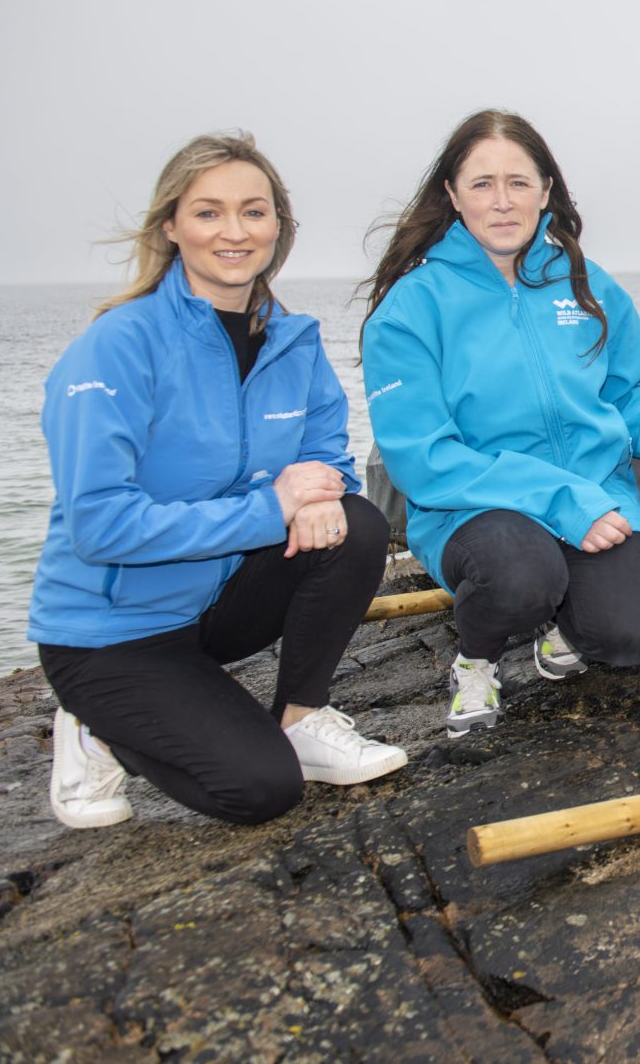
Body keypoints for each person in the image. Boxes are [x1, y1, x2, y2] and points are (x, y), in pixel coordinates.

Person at [31, 134, 407, 830]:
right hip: (112, 631)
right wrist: (273, 509)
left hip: (216, 606)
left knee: (357, 523)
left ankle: (300, 715)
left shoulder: (291, 340)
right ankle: (97, 723)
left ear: (277, 227)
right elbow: (99, 525)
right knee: (260, 789)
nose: (234, 231)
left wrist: (318, 496)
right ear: (171, 225)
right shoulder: (119, 345)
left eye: (253, 211)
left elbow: (326, 453)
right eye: (208, 212)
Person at [360, 110, 640, 737]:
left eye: (519, 183)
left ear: (546, 191)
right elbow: (422, 461)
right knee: (522, 576)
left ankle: (560, 626)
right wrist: (562, 500)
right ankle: (477, 660)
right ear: (452, 195)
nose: (502, 202)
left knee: (633, 638)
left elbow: (631, 394)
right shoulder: (411, 309)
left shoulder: (585, 284)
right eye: (482, 184)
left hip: (592, 497)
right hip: (473, 507)